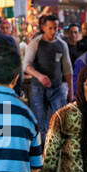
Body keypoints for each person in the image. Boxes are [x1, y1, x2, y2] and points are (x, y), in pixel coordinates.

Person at [22, 14, 71, 143]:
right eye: (50, 28)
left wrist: (71, 90)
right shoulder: (35, 43)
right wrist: (39, 76)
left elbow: (67, 69)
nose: (53, 31)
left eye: (55, 28)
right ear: (43, 28)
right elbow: (26, 65)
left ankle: (58, 150)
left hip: (57, 88)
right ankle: (42, 153)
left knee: (61, 121)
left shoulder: (62, 45)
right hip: (38, 88)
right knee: (40, 123)